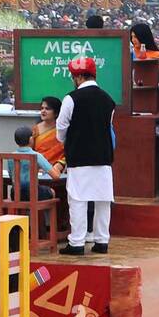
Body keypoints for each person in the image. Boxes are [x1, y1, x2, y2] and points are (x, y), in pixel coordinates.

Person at [56, 55, 114, 254]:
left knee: (78, 200)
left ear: (78, 77)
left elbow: (61, 129)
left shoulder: (71, 98)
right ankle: (101, 241)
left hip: (79, 157)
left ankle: (77, 242)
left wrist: (68, 139)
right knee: (103, 200)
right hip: (104, 157)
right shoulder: (108, 100)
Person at [3, 125, 57, 201]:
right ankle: (38, 213)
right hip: (34, 194)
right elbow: (55, 176)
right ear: (31, 139)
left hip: (15, 194)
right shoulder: (37, 156)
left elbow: (11, 176)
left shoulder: (11, 157)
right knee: (52, 192)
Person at [30, 96, 65, 172]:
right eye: (42, 108)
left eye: (47, 109)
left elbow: (66, 152)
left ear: (56, 113)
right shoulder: (35, 129)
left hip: (56, 170)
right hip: (37, 169)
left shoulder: (62, 129)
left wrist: (59, 165)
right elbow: (29, 151)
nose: (43, 111)